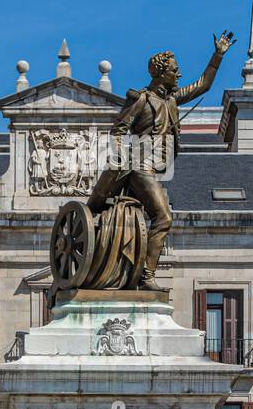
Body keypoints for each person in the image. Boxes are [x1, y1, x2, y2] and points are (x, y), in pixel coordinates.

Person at [87, 31, 235, 291]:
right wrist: (121, 158)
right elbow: (118, 130)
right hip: (138, 166)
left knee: (148, 221)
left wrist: (218, 55)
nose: (178, 75)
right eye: (175, 71)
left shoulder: (172, 100)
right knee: (164, 218)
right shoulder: (141, 99)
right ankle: (146, 276)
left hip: (155, 169)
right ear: (161, 73)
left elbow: (203, 85)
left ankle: (128, 269)